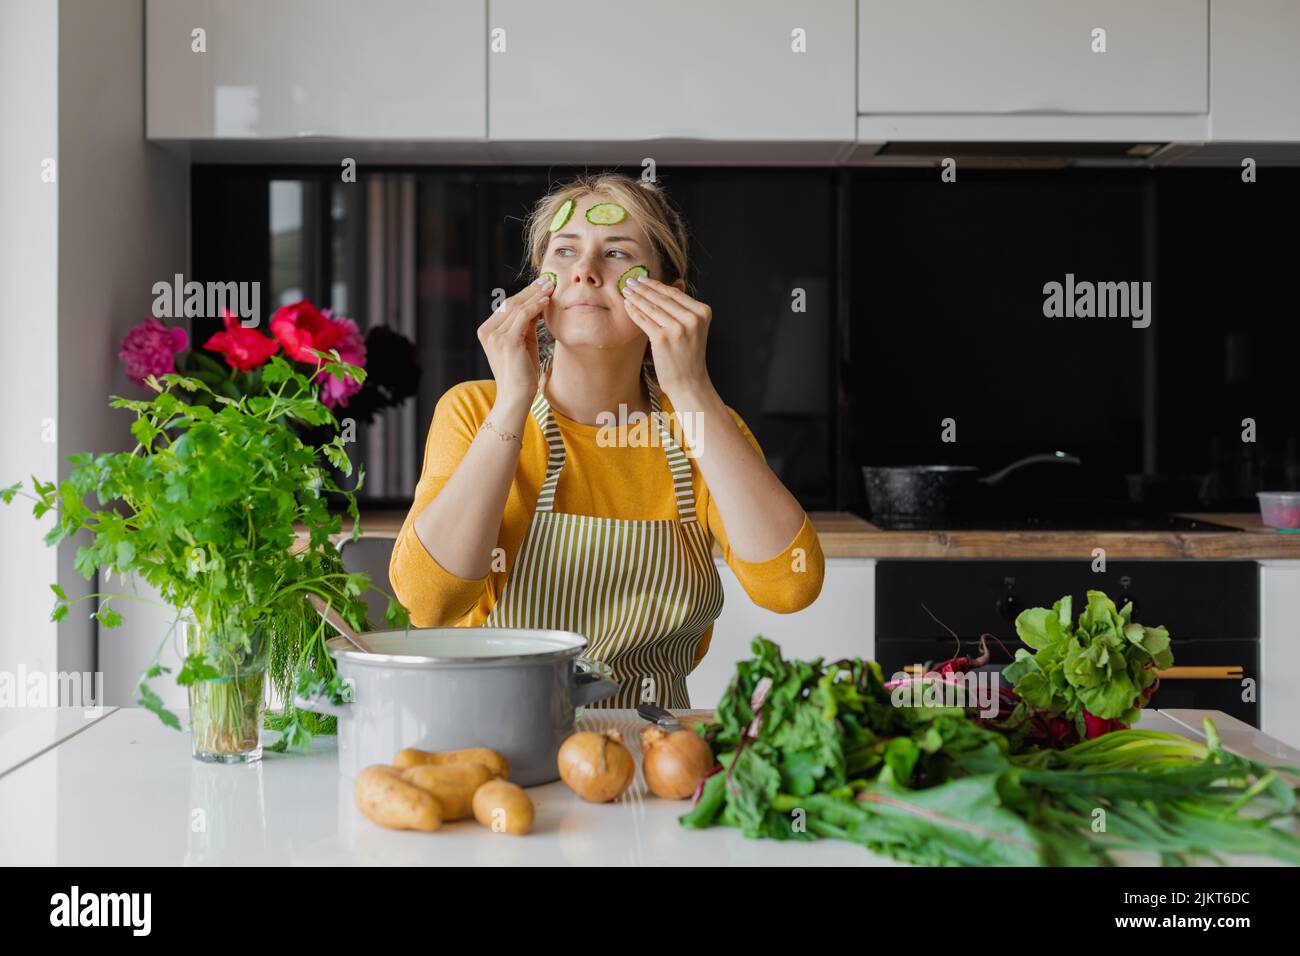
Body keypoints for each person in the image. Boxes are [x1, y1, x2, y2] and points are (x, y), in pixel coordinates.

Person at [390, 172, 823, 707]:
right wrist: (512, 400)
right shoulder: (474, 409)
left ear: (671, 295)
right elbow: (428, 602)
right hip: (500, 742)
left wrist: (690, 388)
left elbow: (790, 587)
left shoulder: (704, 426)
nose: (585, 273)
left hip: (652, 749)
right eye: (565, 251)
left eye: (616, 253)